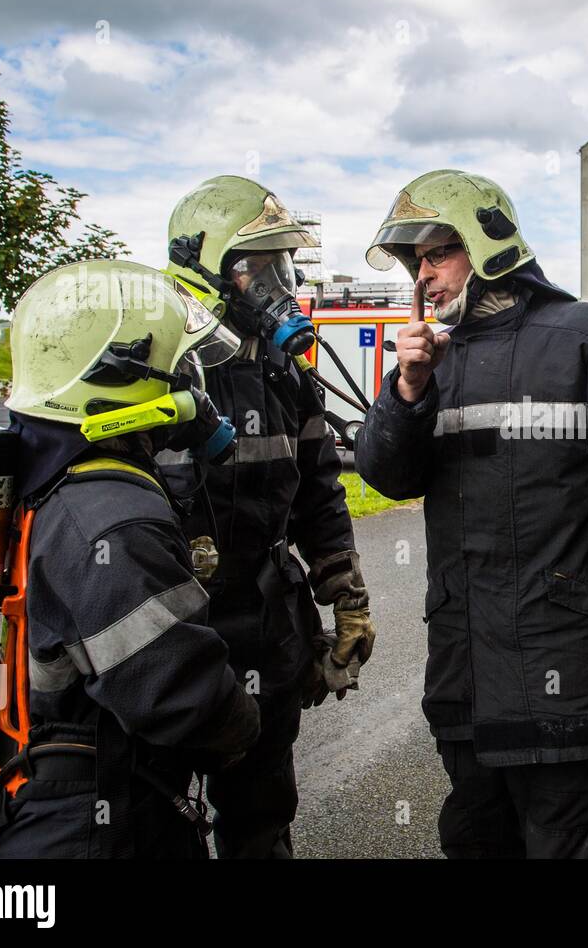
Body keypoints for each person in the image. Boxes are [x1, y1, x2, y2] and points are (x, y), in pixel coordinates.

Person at [357, 169, 588, 858]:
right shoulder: (430, 360)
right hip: (463, 682)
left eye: (437, 252)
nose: (424, 274)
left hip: (561, 680)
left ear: (488, 240)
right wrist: (407, 390)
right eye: (416, 261)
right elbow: (385, 477)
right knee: (474, 842)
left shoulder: (587, 338)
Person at [0, 259, 261, 858]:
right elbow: (183, 697)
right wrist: (246, 723)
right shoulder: (112, 518)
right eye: (178, 369)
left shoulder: (61, 481)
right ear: (118, 383)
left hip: (49, 806)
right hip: (98, 823)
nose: (193, 388)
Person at [163, 176, 373, 858]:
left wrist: (346, 595)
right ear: (206, 267)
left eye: (285, 264)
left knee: (261, 821)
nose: (278, 282)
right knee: (150, 823)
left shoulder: (287, 370)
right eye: (261, 265)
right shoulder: (162, 363)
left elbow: (319, 493)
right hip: (172, 639)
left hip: (265, 630)